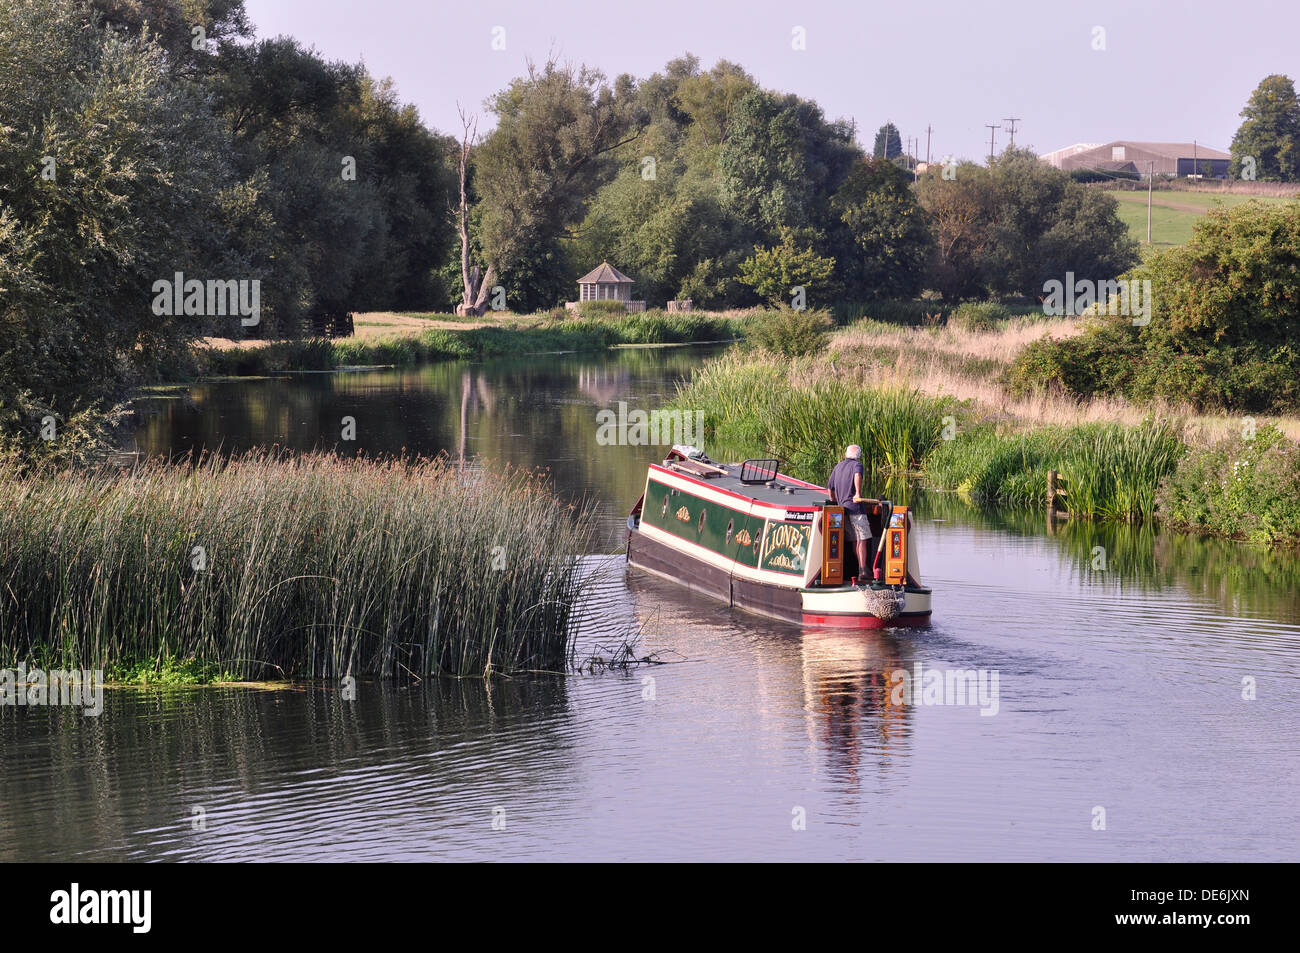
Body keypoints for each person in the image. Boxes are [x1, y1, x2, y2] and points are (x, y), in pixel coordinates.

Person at [828, 445, 876, 586]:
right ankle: (863, 571)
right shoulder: (857, 465)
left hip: (842, 510)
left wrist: (836, 501)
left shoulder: (838, 467)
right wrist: (858, 494)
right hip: (855, 508)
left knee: (855, 540)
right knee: (862, 539)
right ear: (858, 455)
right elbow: (857, 475)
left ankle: (860, 570)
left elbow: (830, 490)